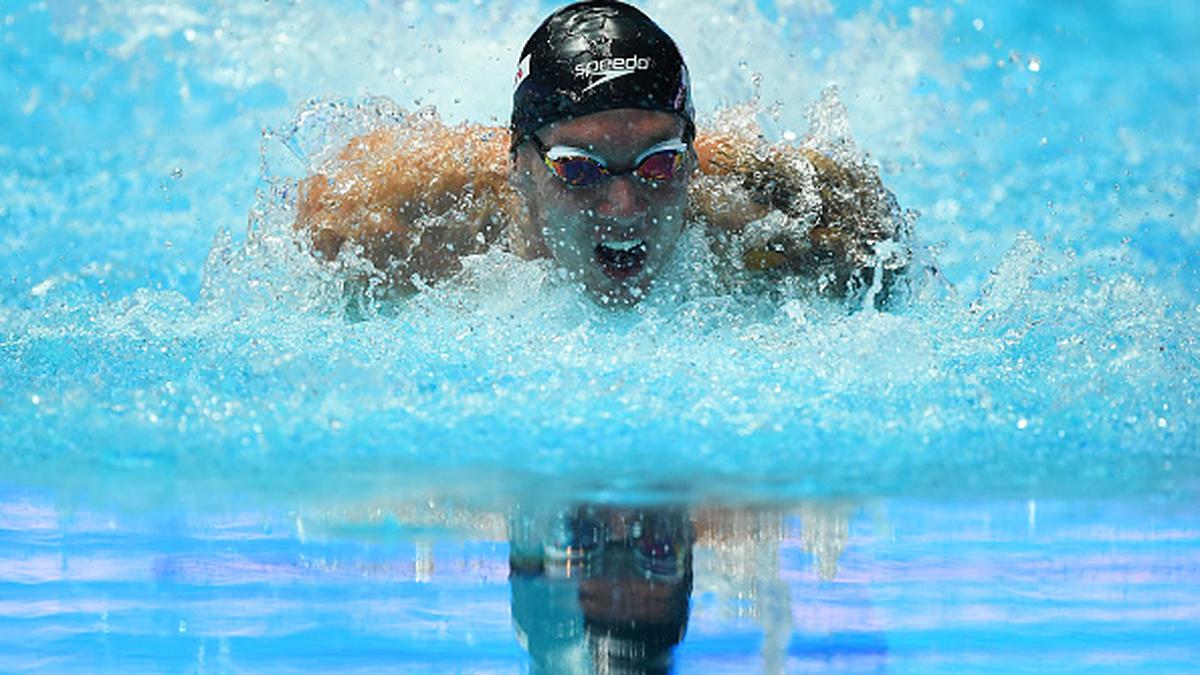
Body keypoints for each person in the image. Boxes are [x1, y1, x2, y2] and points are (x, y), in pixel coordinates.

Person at [295, 0, 912, 307]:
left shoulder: (757, 224)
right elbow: (326, 217)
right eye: (579, 168)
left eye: (659, 163)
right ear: (522, 168)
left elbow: (870, 227)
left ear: (693, 162)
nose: (623, 203)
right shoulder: (416, 226)